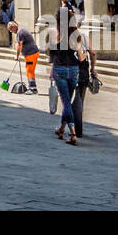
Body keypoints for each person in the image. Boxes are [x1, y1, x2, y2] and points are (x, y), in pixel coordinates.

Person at [47, 9, 79, 144]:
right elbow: (79, 52)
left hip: (60, 69)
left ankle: (72, 133)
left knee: (66, 102)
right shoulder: (76, 33)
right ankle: (61, 129)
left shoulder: (54, 33)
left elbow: (50, 54)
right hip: (74, 69)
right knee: (67, 102)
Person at [71, 17, 96, 140]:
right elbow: (93, 53)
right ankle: (78, 129)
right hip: (83, 70)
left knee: (69, 100)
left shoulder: (66, 36)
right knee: (80, 98)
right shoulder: (84, 36)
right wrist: (93, 69)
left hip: (70, 70)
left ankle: (70, 127)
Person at [7, 20, 40, 94]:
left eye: (11, 29)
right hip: (31, 54)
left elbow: (20, 45)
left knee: (29, 71)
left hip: (31, 54)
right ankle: (32, 87)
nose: (11, 32)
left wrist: (17, 56)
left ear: (14, 26)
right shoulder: (21, 30)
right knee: (29, 70)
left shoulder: (20, 32)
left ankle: (33, 88)